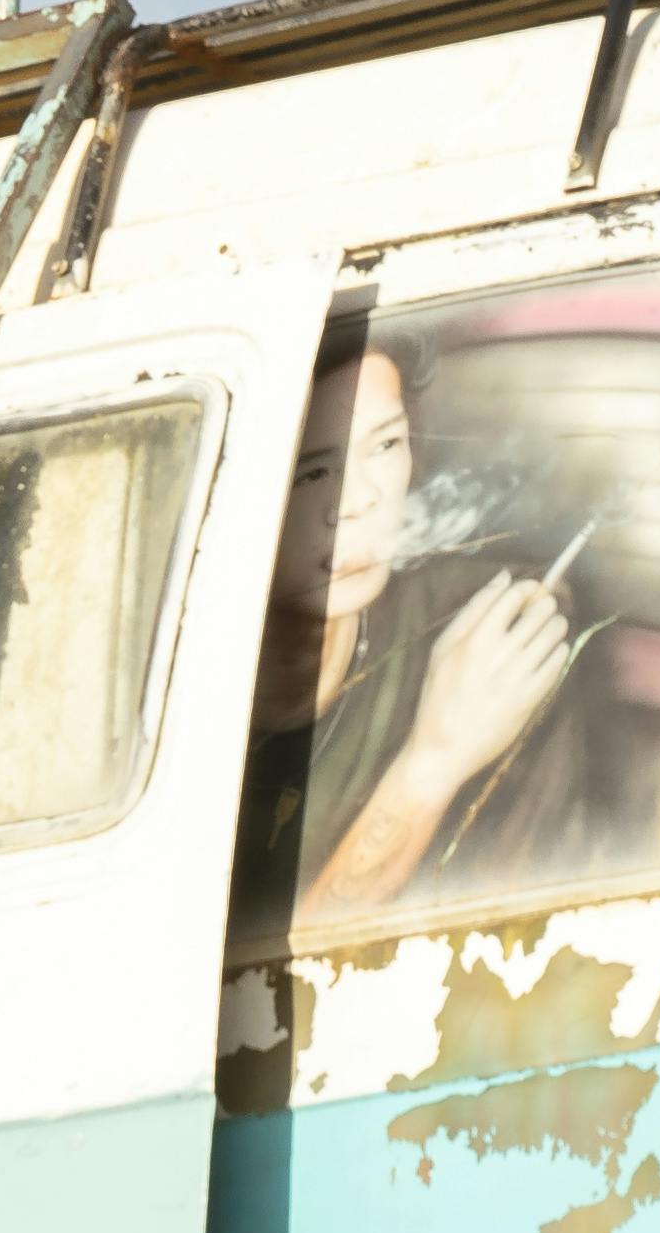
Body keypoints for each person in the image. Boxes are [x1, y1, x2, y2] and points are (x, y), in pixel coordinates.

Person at [239, 327, 576, 936]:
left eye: (386, 444)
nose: (357, 500)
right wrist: (434, 762)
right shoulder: (159, 702)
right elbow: (277, 975)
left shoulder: (480, 631)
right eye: (308, 471)